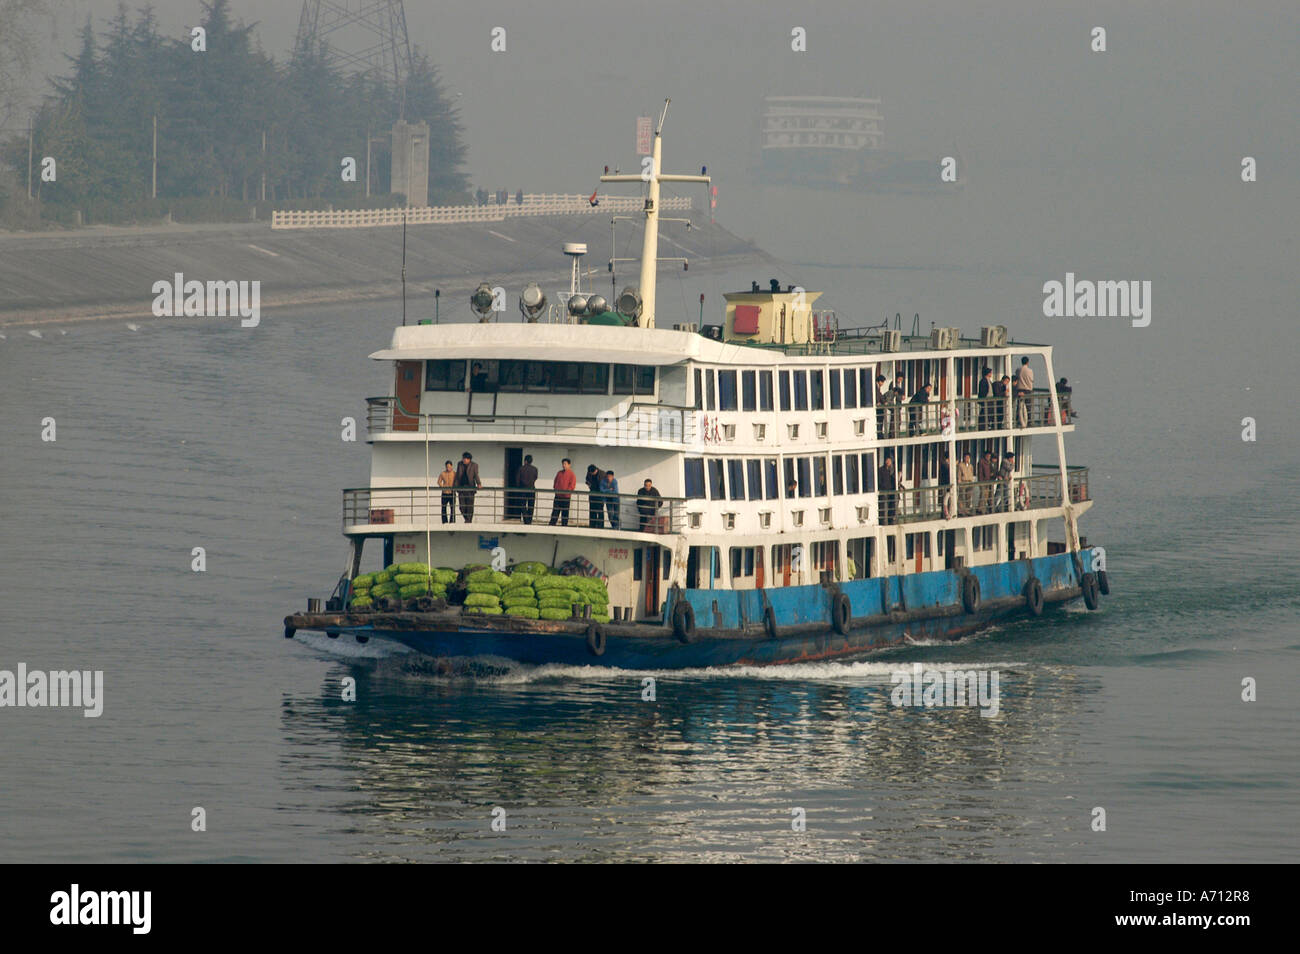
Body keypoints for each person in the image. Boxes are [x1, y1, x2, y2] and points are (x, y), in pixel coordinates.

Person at [454, 451, 481, 522]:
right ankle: (467, 519)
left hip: (470, 488)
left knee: (470, 506)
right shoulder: (459, 464)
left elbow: (476, 475)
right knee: (462, 507)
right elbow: (457, 476)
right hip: (461, 488)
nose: (464, 460)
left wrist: (479, 483)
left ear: (469, 459)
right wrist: (455, 486)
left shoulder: (474, 465)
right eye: (463, 458)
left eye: (465, 459)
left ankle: (469, 520)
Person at [549, 458, 576, 526]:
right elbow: (555, 482)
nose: (563, 465)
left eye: (565, 464)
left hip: (566, 497)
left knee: (565, 513)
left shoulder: (572, 474)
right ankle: (551, 525)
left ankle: (564, 526)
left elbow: (572, 486)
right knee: (555, 512)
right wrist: (556, 489)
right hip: (558, 496)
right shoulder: (559, 473)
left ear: (569, 465)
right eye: (563, 464)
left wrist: (565, 492)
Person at [516, 454, 538, 524]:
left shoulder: (521, 468)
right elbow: (535, 478)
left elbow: (517, 480)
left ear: (525, 461)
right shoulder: (535, 469)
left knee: (522, 505)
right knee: (531, 506)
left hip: (522, 489)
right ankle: (529, 520)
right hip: (532, 489)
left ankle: (526, 520)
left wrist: (519, 487)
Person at [878, 454, 897, 525]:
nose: (889, 462)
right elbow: (879, 482)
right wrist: (883, 487)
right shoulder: (881, 470)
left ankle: (891, 518)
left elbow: (894, 479)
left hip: (891, 490)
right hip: (884, 491)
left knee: (894, 501)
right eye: (888, 460)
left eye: (890, 461)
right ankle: (882, 520)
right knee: (883, 505)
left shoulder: (892, 470)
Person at [1015, 357, 1034, 427]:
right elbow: (1031, 379)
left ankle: (1018, 420)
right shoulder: (1030, 371)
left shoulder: (1018, 370)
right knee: (1028, 406)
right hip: (1027, 389)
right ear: (1027, 362)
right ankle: (1028, 421)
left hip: (1019, 389)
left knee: (1019, 406)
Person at [437, 459, 456, 524]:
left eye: (449, 466)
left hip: (452, 493)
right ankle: (444, 521)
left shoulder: (454, 473)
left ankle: (452, 521)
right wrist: (443, 487)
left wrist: (455, 488)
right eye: (447, 467)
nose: (448, 468)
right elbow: (439, 482)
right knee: (443, 508)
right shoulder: (443, 473)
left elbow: (457, 482)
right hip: (445, 493)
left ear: (452, 466)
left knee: (452, 508)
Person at [977, 449, 995, 514]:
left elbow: (991, 471)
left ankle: (984, 508)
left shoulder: (989, 463)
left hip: (988, 481)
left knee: (986, 495)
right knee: (983, 495)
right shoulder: (981, 462)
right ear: (985, 455)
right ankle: (980, 509)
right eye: (987, 456)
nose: (988, 457)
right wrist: (981, 481)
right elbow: (980, 472)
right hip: (983, 481)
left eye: (989, 456)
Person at [977, 367, 993, 432]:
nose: (991, 373)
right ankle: (982, 426)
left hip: (990, 401)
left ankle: (987, 425)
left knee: (989, 413)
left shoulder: (989, 380)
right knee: (984, 413)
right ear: (988, 373)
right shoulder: (983, 381)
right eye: (990, 372)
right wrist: (983, 400)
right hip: (986, 400)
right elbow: (983, 391)